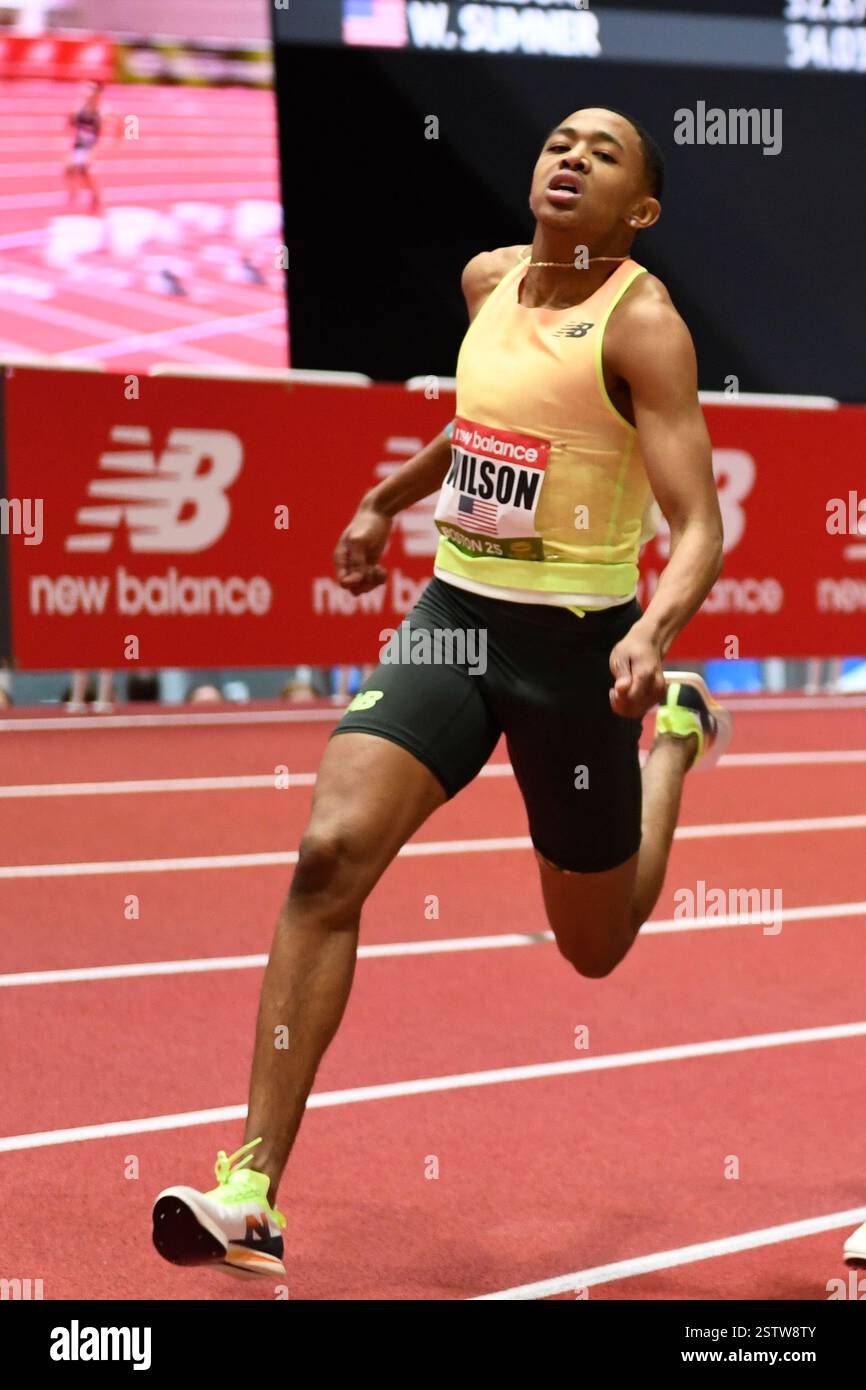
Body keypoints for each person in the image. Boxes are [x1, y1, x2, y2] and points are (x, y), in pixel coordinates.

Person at [152, 107, 732, 1280]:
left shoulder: (645, 326)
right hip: (453, 620)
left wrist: (652, 633)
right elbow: (479, 423)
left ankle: (671, 741)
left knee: (593, 946)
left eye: (602, 154)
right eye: (560, 141)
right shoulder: (486, 280)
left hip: (577, 649)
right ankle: (251, 1186)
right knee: (329, 854)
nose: (569, 157)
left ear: (640, 214)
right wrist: (383, 498)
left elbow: (697, 524)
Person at [65, 81, 105, 214]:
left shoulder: (100, 110)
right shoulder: (79, 106)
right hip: (78, 144)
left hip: (90, 146)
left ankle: (95, 195)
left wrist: (93, 152)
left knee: (85, 171)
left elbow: (101, 133)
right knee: (68, 169)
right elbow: (71, 122)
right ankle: (74, 193)